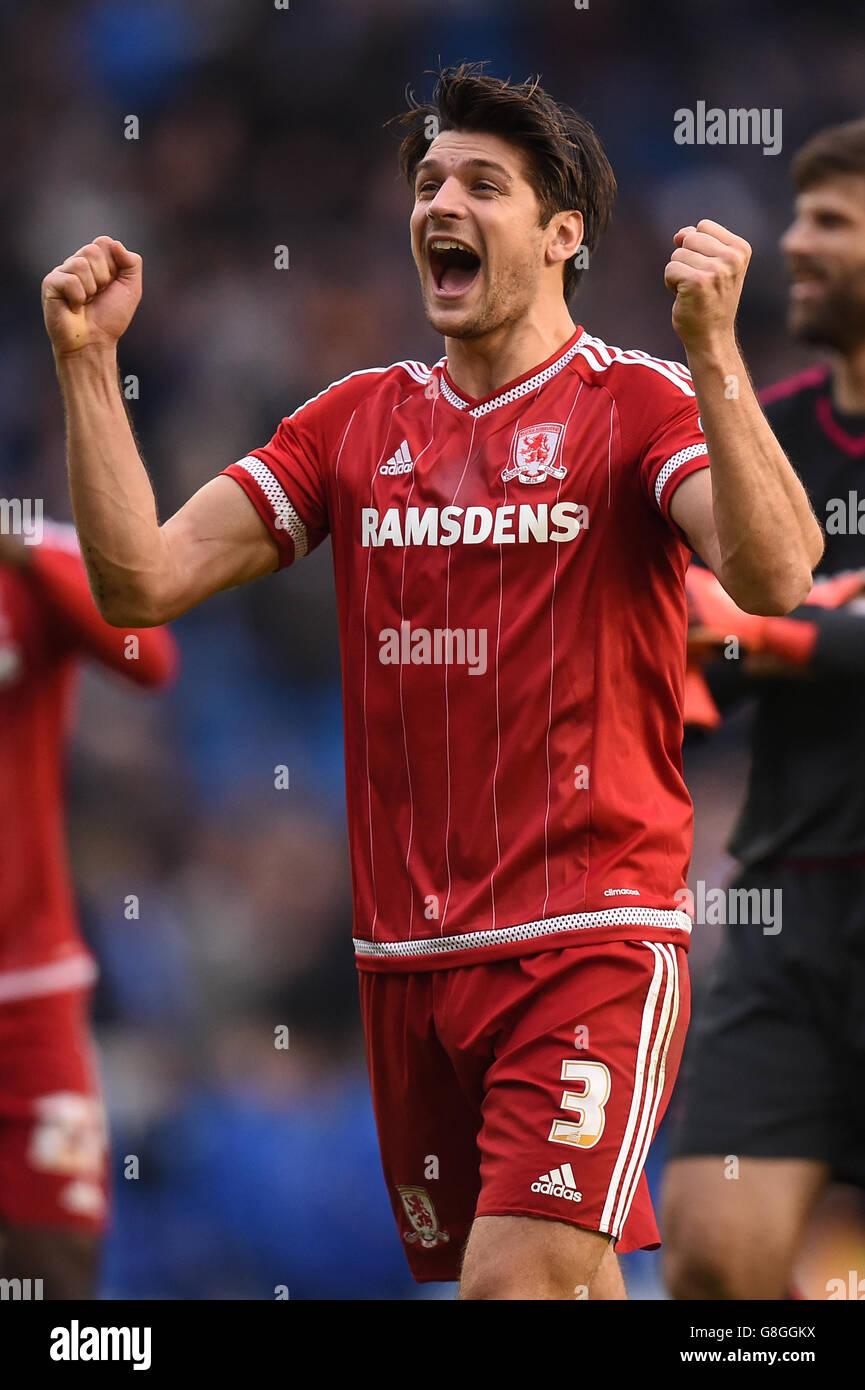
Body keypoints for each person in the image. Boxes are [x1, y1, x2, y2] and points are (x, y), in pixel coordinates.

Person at [39, 64, 821, 1301]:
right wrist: (87, 365)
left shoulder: (634, 403)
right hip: (408, 962)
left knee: (518, 1285)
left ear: (563, 236)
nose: (437, 203)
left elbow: (775, 571)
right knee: (541, 1287)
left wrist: (715, 352)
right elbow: (138, 580)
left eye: (481, 184)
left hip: (590, 939)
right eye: (427, 182)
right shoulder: (350, 425)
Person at [662, 117, 865, 1301]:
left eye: (831, 221)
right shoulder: (761, 436)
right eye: (794, 217)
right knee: (714, 1261)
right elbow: (692, 655)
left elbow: (740, 625)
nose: (793, 243)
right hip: (788, 905)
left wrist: (772, 628)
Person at [0, 523, 177, 1298]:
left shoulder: (34, 549)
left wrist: (29, 557)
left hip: (30, 989)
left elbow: (150, 660)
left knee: (62, 1266)